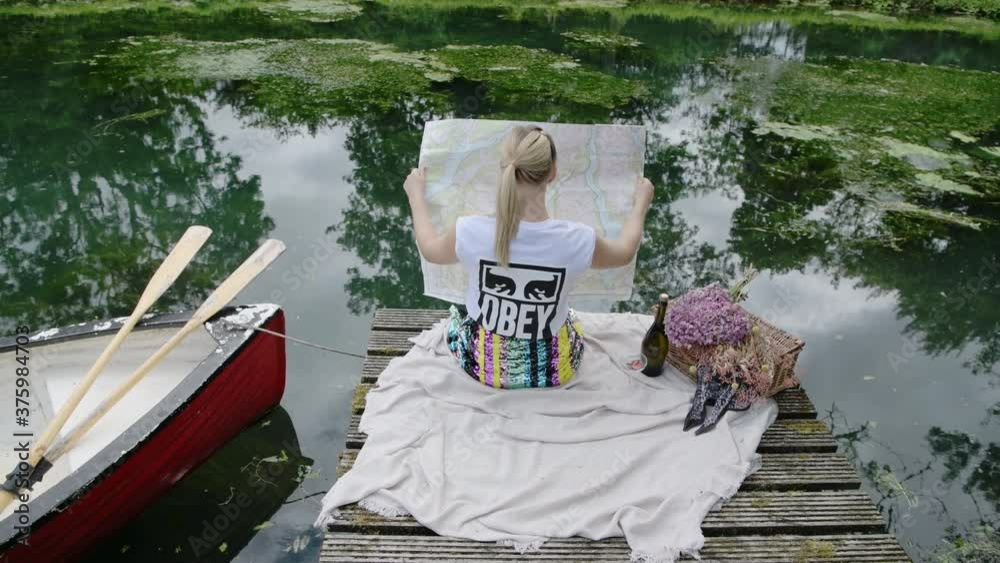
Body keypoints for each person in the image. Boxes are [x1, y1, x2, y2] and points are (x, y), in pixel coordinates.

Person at [403, 125, 654, 389]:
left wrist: (416, 197)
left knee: (460, 317)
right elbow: (624, 253)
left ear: (504, 169)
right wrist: (640, 205)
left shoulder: (469, 230)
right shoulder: (577, 239)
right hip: (552, 369)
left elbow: (430, 249)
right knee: (570, 319)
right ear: (552, 172)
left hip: (483, 365)